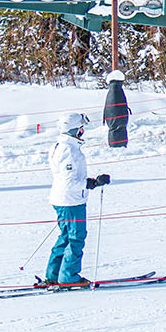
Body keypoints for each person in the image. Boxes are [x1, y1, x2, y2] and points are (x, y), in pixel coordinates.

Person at [44, 112, 110, 286]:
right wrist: (92, 183)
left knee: (66, 236)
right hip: (71, 201)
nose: (83, 131)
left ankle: (54, 274)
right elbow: (69, 182)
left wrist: (90, 182)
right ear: (74, 129)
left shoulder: (61, 145)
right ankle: (68, 277)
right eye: (81, 127)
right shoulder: (69, 150)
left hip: (63, 199)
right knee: (75, 237)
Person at [103, 69, 129, 149]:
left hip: (114, 124)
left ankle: (116, 144)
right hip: (118, 123)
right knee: (117, 126)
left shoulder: (112, 92)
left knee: (116, 126)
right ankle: (118, 144)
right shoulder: (117, 92)